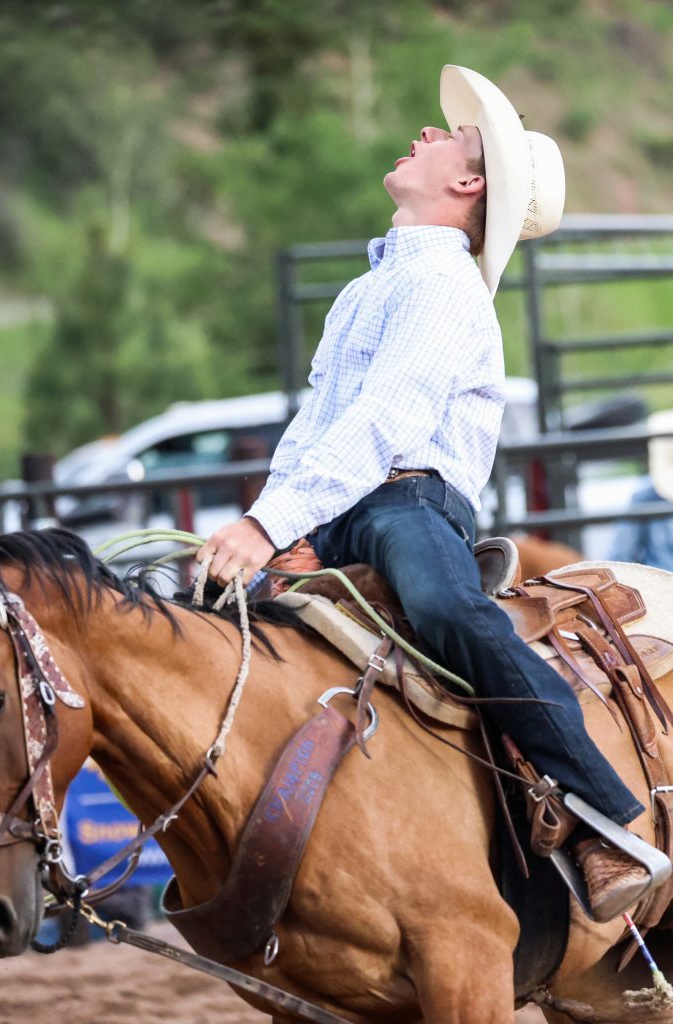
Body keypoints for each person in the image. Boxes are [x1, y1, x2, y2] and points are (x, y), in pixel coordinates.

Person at [196, 64, 667, 922]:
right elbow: (318, 427)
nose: (426, 132)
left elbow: (383, 420)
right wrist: (274, 520)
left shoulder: (444, 287)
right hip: (339, 507)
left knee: (447, 610)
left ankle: (606, 820)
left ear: (466, 182)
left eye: (449, 136)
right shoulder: (367, 289)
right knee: (208, 627)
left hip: (407, 502)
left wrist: (268, 524)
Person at [609, 409, 673, 570]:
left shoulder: (644, 495)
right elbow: (619, 559)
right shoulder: (645, 496)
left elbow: (620, 557)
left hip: (660, 585)